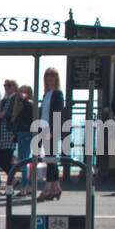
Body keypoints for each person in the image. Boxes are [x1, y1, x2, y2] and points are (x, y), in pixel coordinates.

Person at [36, 66, 66, 200]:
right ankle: (56, 187)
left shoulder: (58, 94)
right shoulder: (46, 94)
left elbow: (58, 113)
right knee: (51, 159)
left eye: (52, 75)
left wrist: (54, 130)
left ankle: (48, 188)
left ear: (56, 78)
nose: (49, 77)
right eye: (47, 75)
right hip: (44, 127)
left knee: (50, 158)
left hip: (51, 129)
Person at [0, 79, 18, 194]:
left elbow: (12, 113)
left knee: (7, 159)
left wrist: (2, 114)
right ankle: (12, 181)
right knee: (1, 159)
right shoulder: (3, 100)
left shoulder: (15, 99)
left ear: (14, 86)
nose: (7, 88)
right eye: (5, 86)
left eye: (9, 85)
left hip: (9, 133)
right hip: (1, 133)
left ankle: (10, 186)